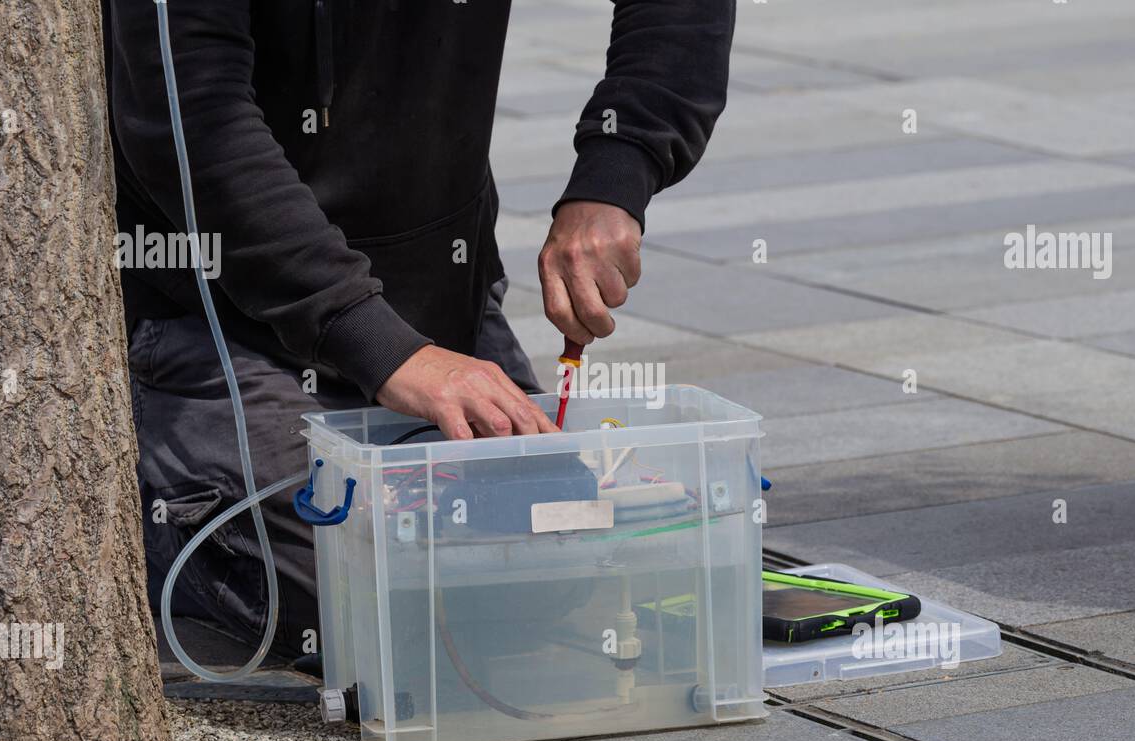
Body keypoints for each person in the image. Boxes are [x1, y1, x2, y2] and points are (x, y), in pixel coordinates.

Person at [104, 0, 735, 654]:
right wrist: (381, 346)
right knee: (376, 603)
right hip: (217, 308)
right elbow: (191, 119)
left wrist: (616, 174)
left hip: (437, 294)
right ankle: (147, 516)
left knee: (549, 562)